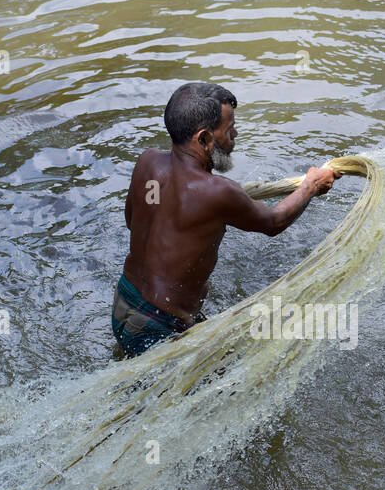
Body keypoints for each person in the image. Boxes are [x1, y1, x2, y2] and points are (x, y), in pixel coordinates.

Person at [111, 81, 340, 357]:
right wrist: (311, 186)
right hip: (159, 326)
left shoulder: (147, 163)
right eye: (229, 129)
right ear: (204, 139)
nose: (235, 134)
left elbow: (133, 221)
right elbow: (274, 221)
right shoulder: (217, 191)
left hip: (124, 303)